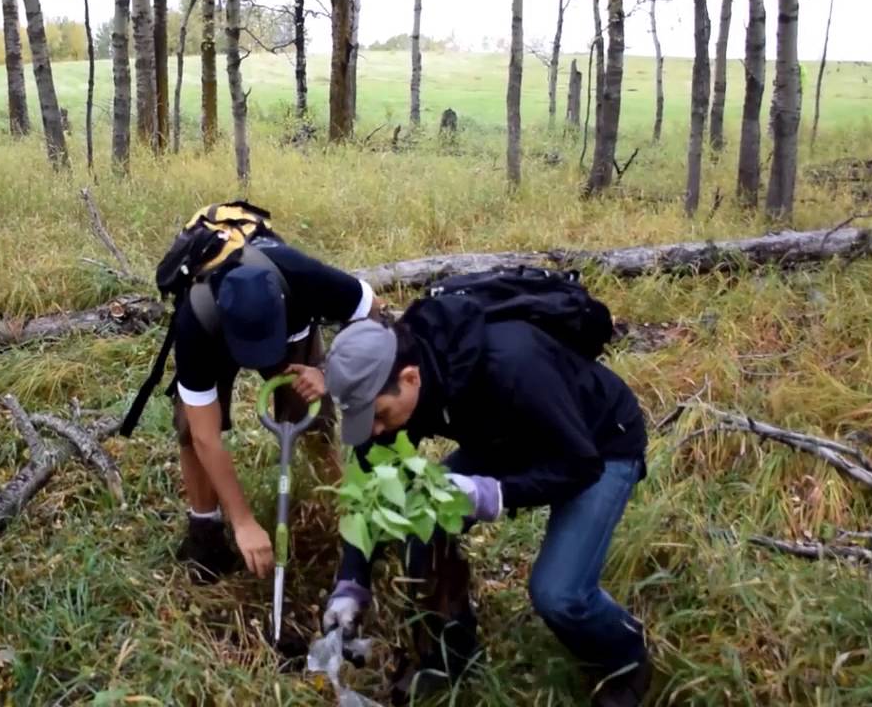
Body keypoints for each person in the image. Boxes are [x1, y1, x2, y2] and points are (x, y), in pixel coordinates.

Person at [313, 292, 652, 706]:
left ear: (410, 378)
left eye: (380, 415)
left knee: (559, 595)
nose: (377, 430)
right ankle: (451, 653)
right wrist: (351, 582)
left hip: (597, 444)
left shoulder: (512, 365)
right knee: (426, 519)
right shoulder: (396, 385)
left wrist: (495, 493)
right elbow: (369, 488)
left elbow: (580, 464)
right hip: (501, 435)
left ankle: (626, 658)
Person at [166, 211, 379, 585]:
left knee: (312, 420)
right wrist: (244, 522)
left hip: (294, 331)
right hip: (213, 331)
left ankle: (351, 522)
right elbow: (205, 436)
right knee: (189, 428)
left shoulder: (306, 278)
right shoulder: (196, 320)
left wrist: (328, 371)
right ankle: (206, 533)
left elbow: (373, 316)